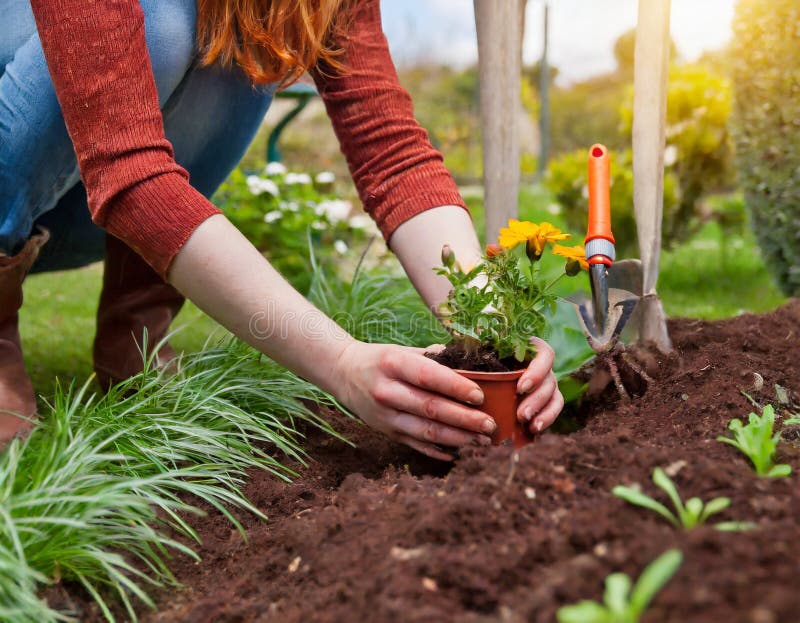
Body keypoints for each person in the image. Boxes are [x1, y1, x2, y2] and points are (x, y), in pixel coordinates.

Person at [0, 0, 564, 457]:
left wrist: (493, 332)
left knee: (257, 31)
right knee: (167, 24)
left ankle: (135, 334)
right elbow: (128, 169)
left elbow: (391, 152)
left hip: (80, 210)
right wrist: (342, 365)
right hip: (43, 175)